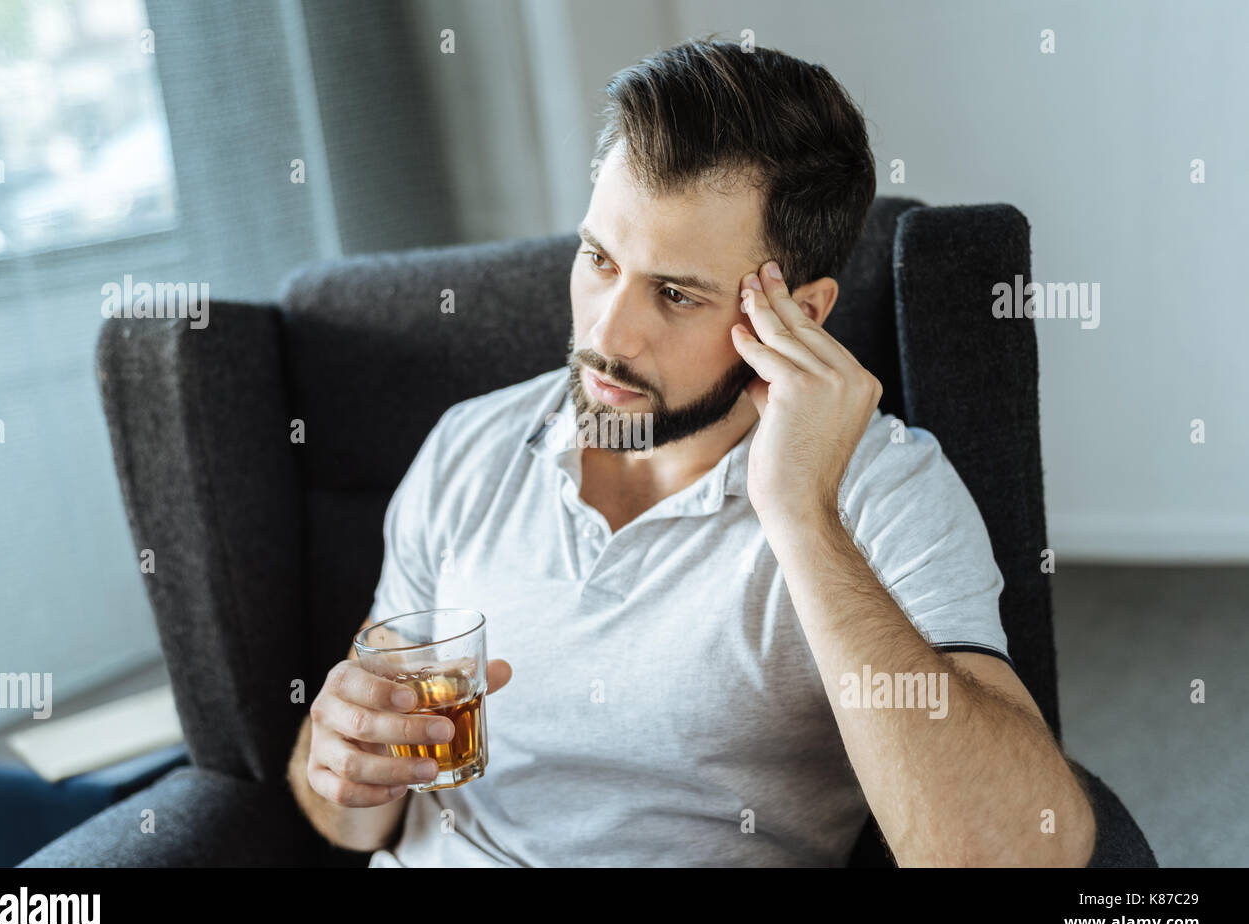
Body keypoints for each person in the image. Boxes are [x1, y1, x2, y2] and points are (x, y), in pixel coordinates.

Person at [287, 36, 1096, 867]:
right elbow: (347, 816)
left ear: (801, 315)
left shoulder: (884, 493)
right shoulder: (469, 446)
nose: (606, 335)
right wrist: (342, 765)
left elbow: (1017, 854)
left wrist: (800, 514)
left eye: (674, 294)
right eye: (600, 259)